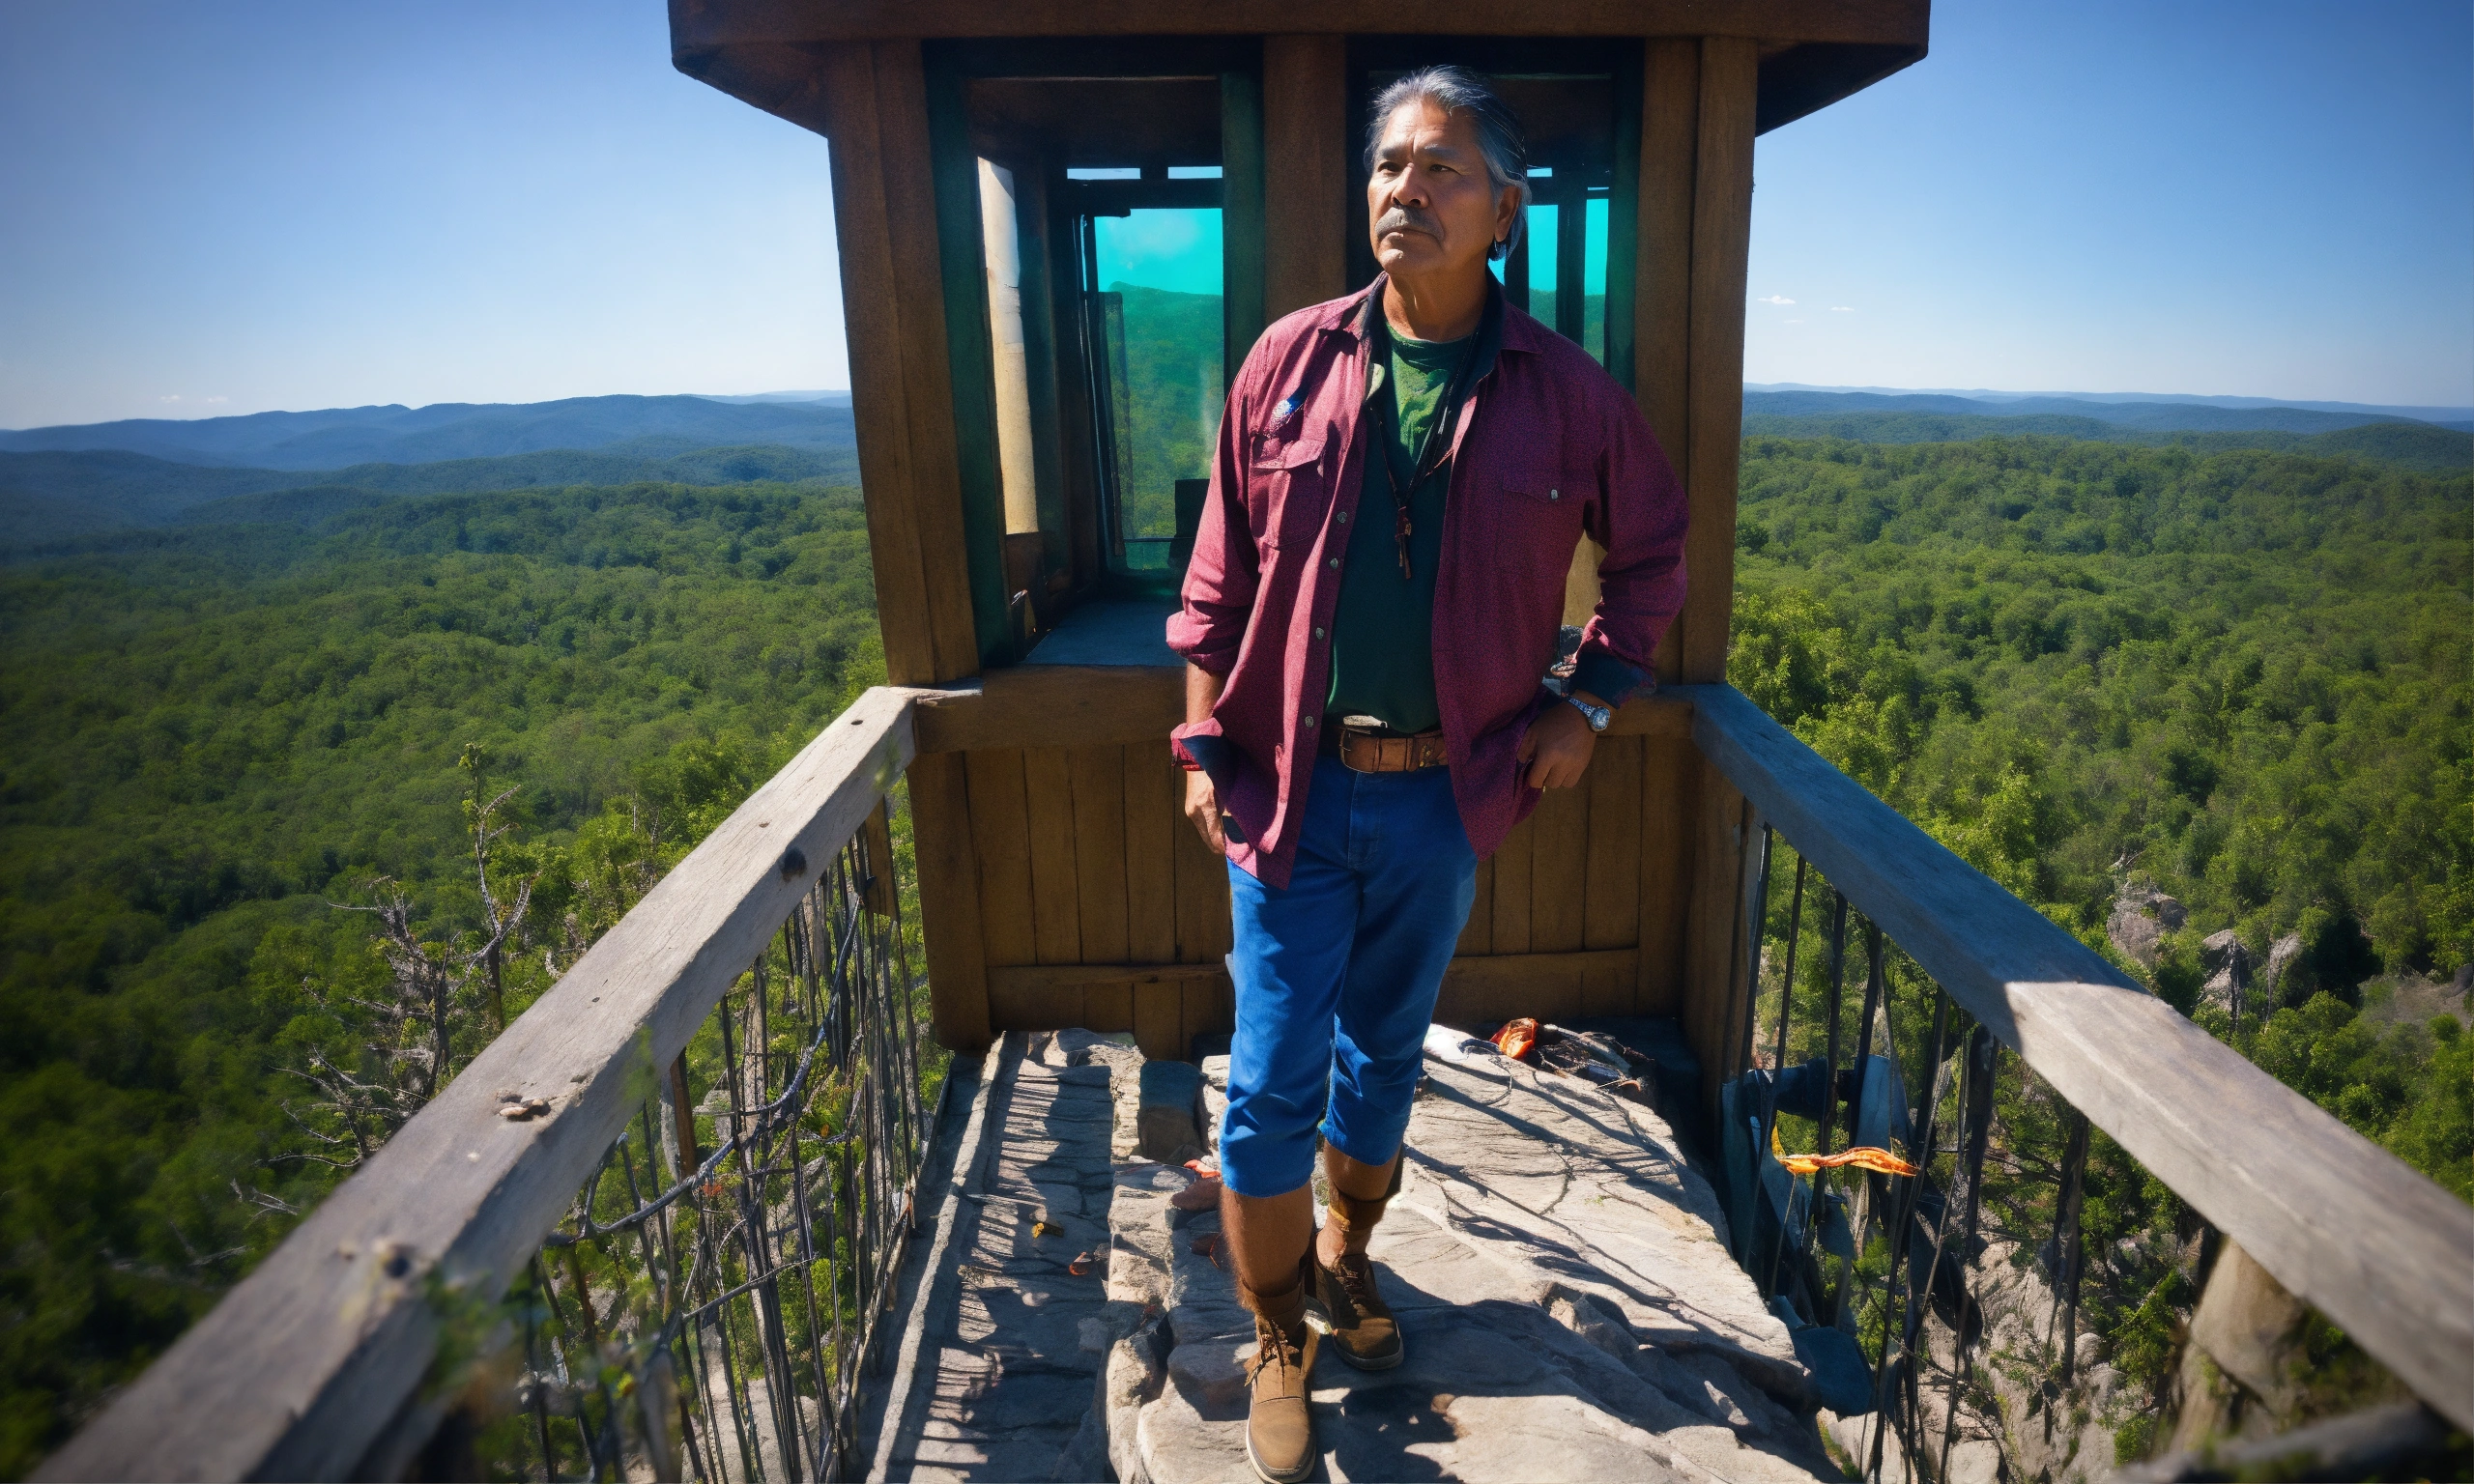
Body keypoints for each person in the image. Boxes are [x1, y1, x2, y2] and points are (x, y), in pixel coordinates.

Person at [1166, 64, 1689, 1484]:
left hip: (1443, 797)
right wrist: (1203, 736)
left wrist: (1585, 703)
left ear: (1504, 212)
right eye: (1389, 164)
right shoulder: (1287, 363)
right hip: (1288, 788)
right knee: (1269, 1082)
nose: (1404, 188)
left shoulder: (1567, 398)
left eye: (1441, 168)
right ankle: (1279, 1331)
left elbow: (1651, 560)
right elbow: (1215, 580)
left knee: (1384, 1058)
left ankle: (1345, 1255)